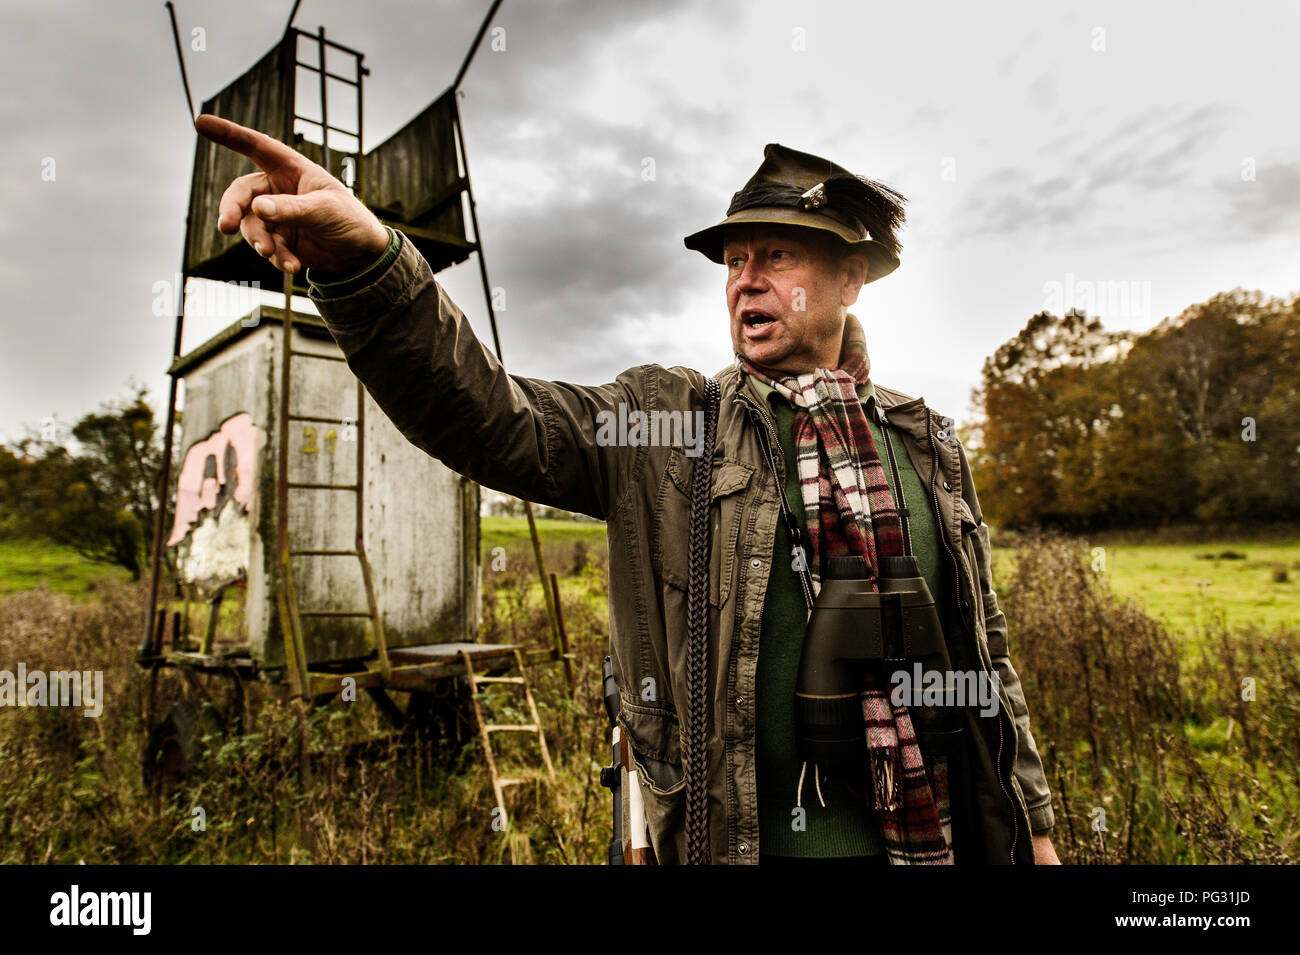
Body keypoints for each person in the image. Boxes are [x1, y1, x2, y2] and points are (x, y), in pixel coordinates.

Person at [195, 114, 1060, 865]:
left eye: (778, 255)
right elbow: (491, 414)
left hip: (929, 841)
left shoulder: (924, 441)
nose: (745, 278)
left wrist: (1039, 826)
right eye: (735, 260)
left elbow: (988, 661)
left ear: (850, 278)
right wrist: (370, 264)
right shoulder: (670, 422)